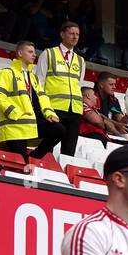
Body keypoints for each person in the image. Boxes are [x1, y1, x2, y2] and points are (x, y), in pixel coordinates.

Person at [0, 41, 63, 163]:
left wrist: (49, 114)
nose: (34, 55)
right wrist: (15, 114)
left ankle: (33, 158)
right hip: (15, 126)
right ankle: (27, 161)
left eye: (34, 52)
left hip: (29, 124)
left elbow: (43, 98)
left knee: (59, 129)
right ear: (20, 53)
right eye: (30, 52)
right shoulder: (6, 73)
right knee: (20, 164)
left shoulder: (33, 77)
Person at [35, 21, 86, 158]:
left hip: (74, 109)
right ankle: (37, 162)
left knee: (69, 148)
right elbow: (39, 82)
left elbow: (78, 84)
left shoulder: (80, 61)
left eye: (77, 34)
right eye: (71, 33)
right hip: (54, 106)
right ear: (62, 34)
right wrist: (43, 106)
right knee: (50, 141)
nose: (75, 37)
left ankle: (65, 175)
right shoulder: (49, 54)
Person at [81, 72, 128, 144]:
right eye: (111, 84)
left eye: (114, 84)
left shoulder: (113, 99)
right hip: (94, 133)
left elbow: (121, 121)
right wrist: (115, 125)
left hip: (107, 134)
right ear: (101, 85)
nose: (114, 87)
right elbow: (97, 118)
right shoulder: (92, 97)